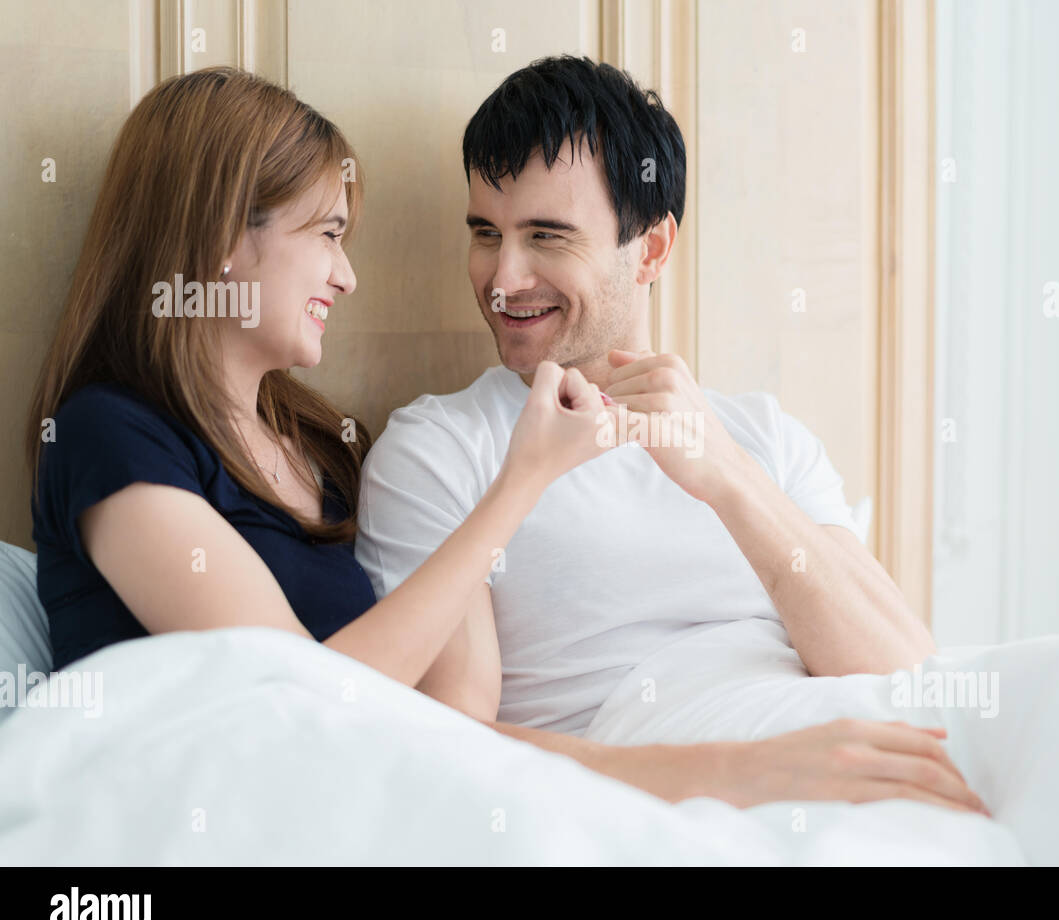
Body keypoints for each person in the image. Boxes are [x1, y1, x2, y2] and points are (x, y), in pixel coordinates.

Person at [356, 55, 990, 816]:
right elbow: (450, 734)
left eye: (547, 237)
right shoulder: (441, 449)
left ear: (651, 249)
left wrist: (725, 473)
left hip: (864, 754)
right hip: (696, 797)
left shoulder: (763, 435)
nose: (502, 276)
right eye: (486, 233)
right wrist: (743, 773)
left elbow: (910, 670)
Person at [26, 66, 611, 724]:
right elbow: (298, 702)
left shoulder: (321, 444)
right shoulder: (107, 435)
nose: (347, 276)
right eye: (329, 235)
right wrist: (520, 482)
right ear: (222, 234)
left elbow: (444, 704)